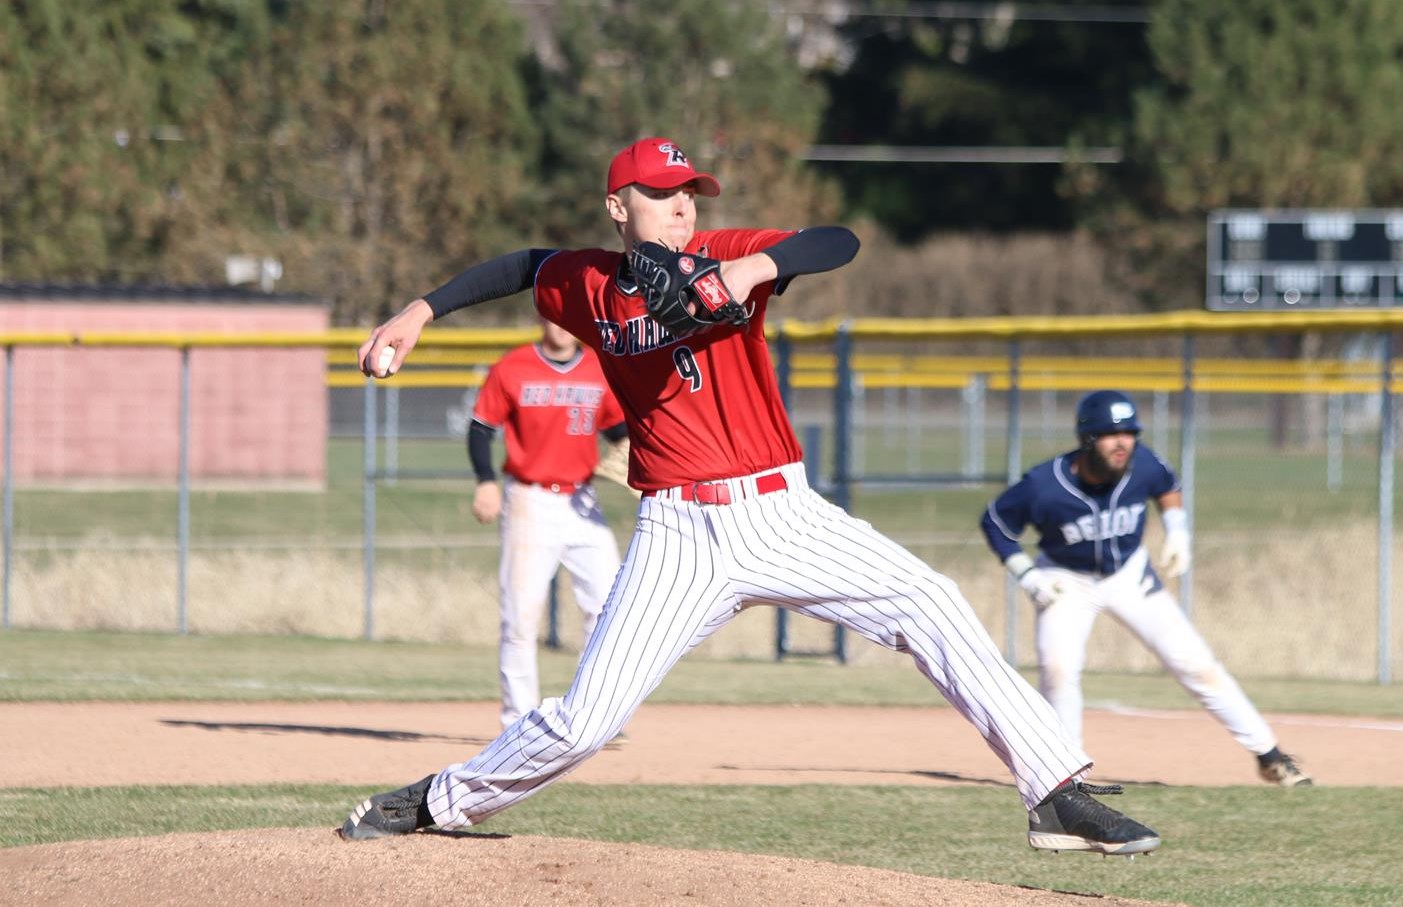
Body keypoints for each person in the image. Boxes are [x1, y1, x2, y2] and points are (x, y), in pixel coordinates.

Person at [340, 136, 1161, 856]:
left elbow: (837, 240)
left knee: (931, 601)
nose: (679, 209)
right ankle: (437, 800)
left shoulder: (727, 255)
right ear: (616, 207)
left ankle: (1053, 791)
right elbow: (523, 267)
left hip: (781, 512)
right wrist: (420, 310)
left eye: (687, 194)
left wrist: (752, 266)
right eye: (659, 195)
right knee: (588, 719)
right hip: (677, 534)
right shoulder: (590, 286)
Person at [980, 389, 1311, 787]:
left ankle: (1270, 756)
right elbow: (995, 522)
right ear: (1087, 439)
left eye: (1130, 432)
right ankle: (1065, 774)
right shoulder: (1043, 485)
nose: (1123, 442)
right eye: (1110, 434)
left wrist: (1177, 531)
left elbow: (1167, 485)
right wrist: (1026, 574)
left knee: (1195, 663)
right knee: (1058, 669)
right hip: (1065, 578)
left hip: (1130, 575)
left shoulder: (1143, 464)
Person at [468, 316, 628, 733]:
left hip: (582, 500)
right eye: (552, 317)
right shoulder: (513, 367)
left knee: (609, 606)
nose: (560, 325)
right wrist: (486, 481)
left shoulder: (597, 367)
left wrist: (635, 452)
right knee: (521, 617)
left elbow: (617, 430)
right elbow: (480, 429)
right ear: (540, 319)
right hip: (529, 499)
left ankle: (596, 714)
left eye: (567, 317)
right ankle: (518, 722)